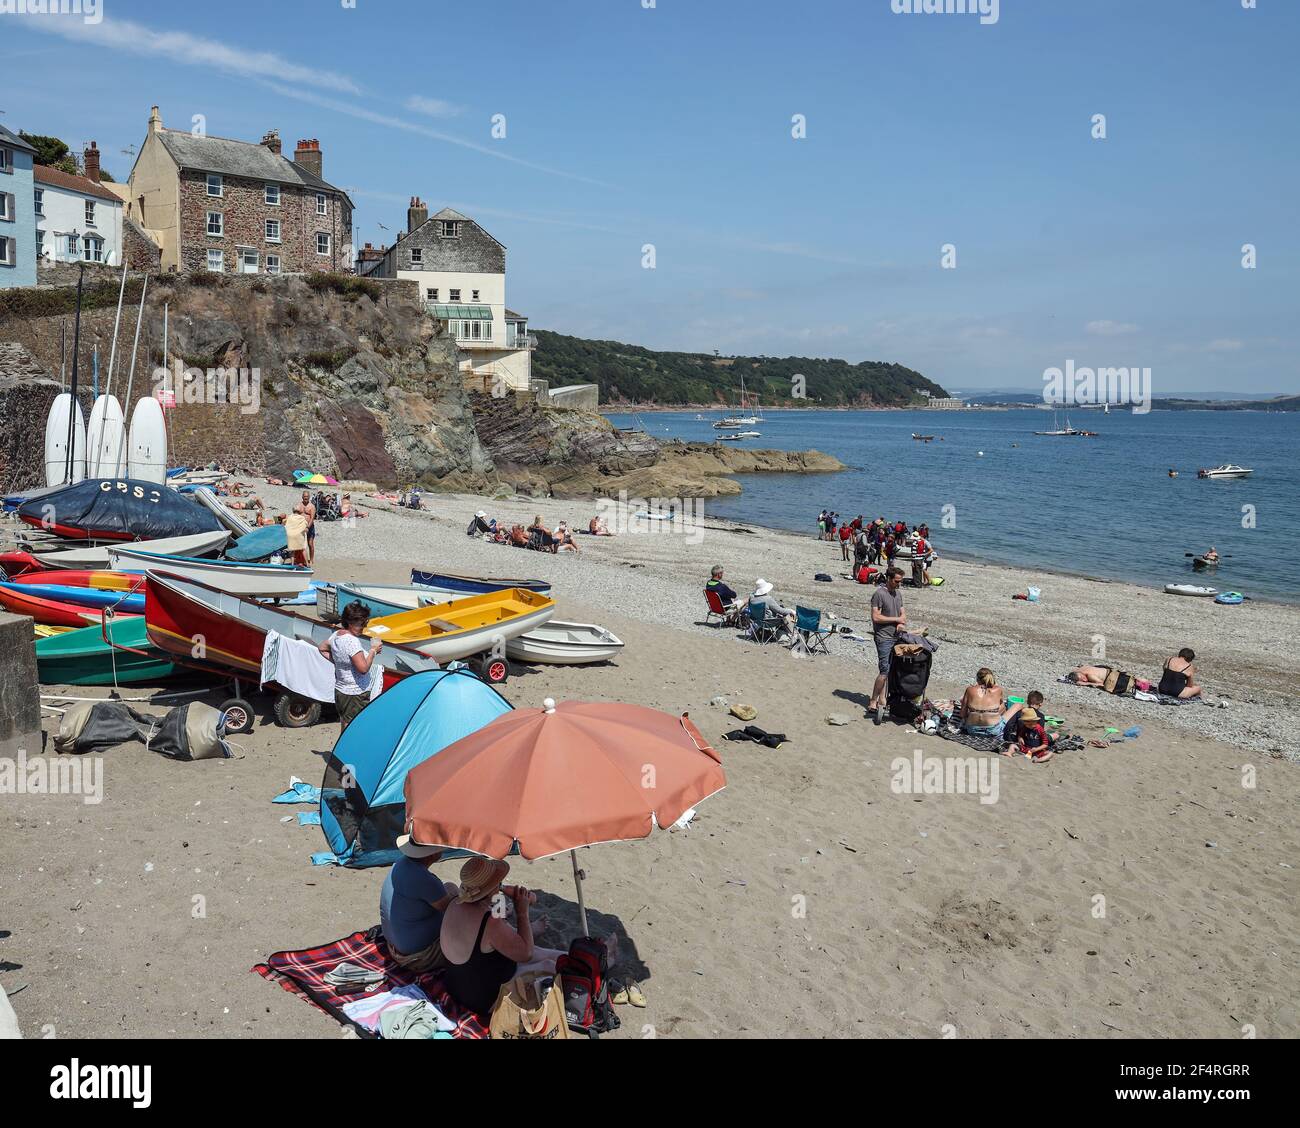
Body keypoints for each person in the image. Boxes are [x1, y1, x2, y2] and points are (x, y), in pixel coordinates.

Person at [439, 857, 567, 1018]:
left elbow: (494, 924)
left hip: (457, 985)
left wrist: (504, 908)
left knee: (541, 952)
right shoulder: (489, 921)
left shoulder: (454, 903)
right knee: (548, 965)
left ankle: (576, 957)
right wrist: (522, 912)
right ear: (491, 888)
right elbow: (526, 954)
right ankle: (584, 966)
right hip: (482, 999)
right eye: (498, 883)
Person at [380, 836, 461, 973]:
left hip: (394, 945)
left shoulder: (399, 864)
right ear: (432, 854)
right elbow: (450, 909)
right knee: (470, 934)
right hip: (417, 957)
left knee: (450, 888)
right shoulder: (424, 879)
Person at [319, 600, 382, 731]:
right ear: (350, 622)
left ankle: (344, 744)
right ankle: (346, 745)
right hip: (355, 694)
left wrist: (338, 662)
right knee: (353, 728)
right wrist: (373, 651)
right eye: (361, 624)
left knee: (345, 722)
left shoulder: (336, 634)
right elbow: (363, 669)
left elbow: (322, 648)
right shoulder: (352, 641)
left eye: (364, 623)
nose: (363, 627)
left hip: (341, 690)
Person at [868, 567, 906, 724]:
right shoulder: (879, 594)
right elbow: (876, 617)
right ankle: (873, 700)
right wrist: (896, 620)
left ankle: (883, 699)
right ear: (889, 579)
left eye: (900, 581)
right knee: (884, 671)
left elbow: (903, 613)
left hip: (896, 636)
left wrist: (900, 622)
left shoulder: (898, 594)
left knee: (890, 670)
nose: (899, 584)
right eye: (897, 581)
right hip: (883, 637)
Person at [300, 490, 317, 565]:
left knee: (310, 544)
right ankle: (303, 559)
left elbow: (312, 518)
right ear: (302, 497)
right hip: (301, 527)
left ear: (309, 497)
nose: (306, 498)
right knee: (301, 544)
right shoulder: (299, 505)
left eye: (307, 496)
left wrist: (308, 527)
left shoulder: (312, 506)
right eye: (304, 496)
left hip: (310, 527)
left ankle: (311, 559)